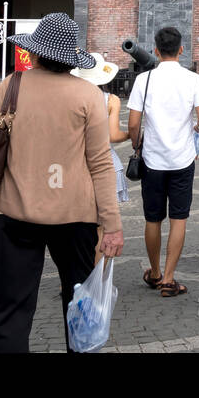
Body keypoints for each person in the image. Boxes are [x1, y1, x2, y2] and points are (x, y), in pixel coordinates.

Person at [0, 12, 123, 352]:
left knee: (12, 308)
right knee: (80, 300)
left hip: (16, 212)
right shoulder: (88, 94)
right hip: (76, 216)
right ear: (71, 59)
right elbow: (100, 164)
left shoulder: (13, 84)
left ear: (34, 52)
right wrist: (111, 225)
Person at [128, 26, 199, 297]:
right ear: (182, 49)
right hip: (182, 159)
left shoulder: (144, 80)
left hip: (152, 159)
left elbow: (134, 123)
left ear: (156, 50)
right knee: (179, 218)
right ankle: (170, 279)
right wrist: (191, 133)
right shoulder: (193, 79)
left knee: (153, 218)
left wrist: (137, 144)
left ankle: (155, 270)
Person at [71, 52, 129, 261]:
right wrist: (132, 133)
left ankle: (70, 280)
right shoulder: (111, 100)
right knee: (103, 227)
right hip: (104, 162)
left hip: (75, 163)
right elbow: (113, 136)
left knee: (75, 226)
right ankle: (98, 280)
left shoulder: (70, 97)